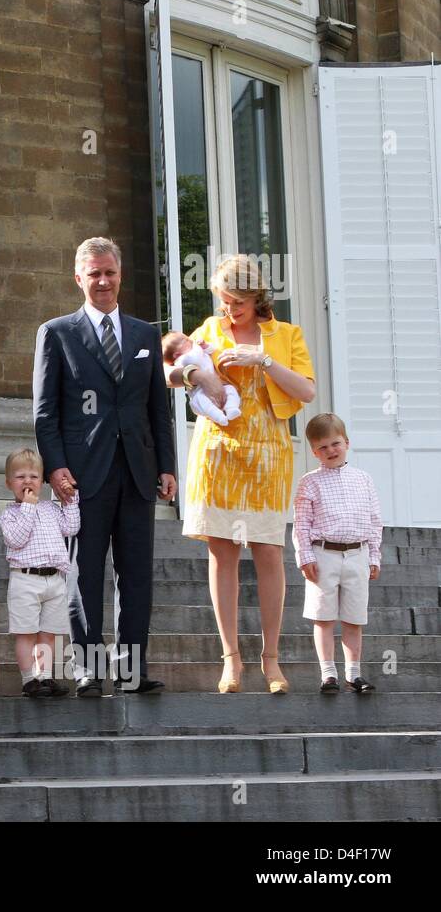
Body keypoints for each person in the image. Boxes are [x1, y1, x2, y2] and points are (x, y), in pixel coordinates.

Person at [33, 237, 176, 696]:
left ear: (120, 275)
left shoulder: (145, 335)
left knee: (135, 576)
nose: (102, 281)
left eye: (109, 272)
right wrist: (54, 468)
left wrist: (168, 465)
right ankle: (89, 668)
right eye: (93, 273)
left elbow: (159, 408)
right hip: (82, 475)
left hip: (137, 471)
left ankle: (131, 671)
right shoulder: (57, 333)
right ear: (79, 278)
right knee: (84, 575)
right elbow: (45, 412)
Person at [166, 254, 315, 694]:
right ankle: (231, 659)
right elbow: (168, 373)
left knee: (269, 552)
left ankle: (271, 660)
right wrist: (193, 372)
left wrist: (264, 360)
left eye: (237, 301)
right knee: (222, 553)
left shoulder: (285, 335)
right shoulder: (208, 330)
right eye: (224, 300)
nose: (230, 309)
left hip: (268, 453)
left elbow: (306, 390)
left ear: (256, 296)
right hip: (219, 453)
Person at [294, 414, 382, 695]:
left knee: (354, 618)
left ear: (347, 442)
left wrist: (374, 556)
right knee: (323, 617)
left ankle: (354, 674)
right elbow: (302, 523)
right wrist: (305, 556)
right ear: (313, 451)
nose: (331, 451)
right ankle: (328, 673)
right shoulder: (310, 482)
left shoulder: (364, 479)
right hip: (323, 555)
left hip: (358, 554)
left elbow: (374, 520)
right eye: (322, 447)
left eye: (335, 444)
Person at [0, 448, 78, 698]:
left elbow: (71, 527)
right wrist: (29, 508)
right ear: (9, 483)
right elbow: (17, 539)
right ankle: (29, 679)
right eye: (20, 477)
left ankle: (45, 676)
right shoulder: (9, 515)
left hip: (54, 579)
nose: (28, 481)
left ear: (42, 481)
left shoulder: (52, 509)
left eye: (33, 476)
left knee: (48, 634)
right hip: (25, 579)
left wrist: (70, 500)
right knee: (27, 632)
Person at [162, 331, 241, 427]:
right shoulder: (183, 359)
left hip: (221, 386)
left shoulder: (194, 347)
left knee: (230, 390)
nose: (189, 339)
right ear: (177, 355)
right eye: (184, 340)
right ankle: (218, 416)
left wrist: (205, 346)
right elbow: (194, 358)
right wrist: (200, 376)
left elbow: (212, 350)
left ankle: (231, 408)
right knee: (201, 401)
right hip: (200, 392)